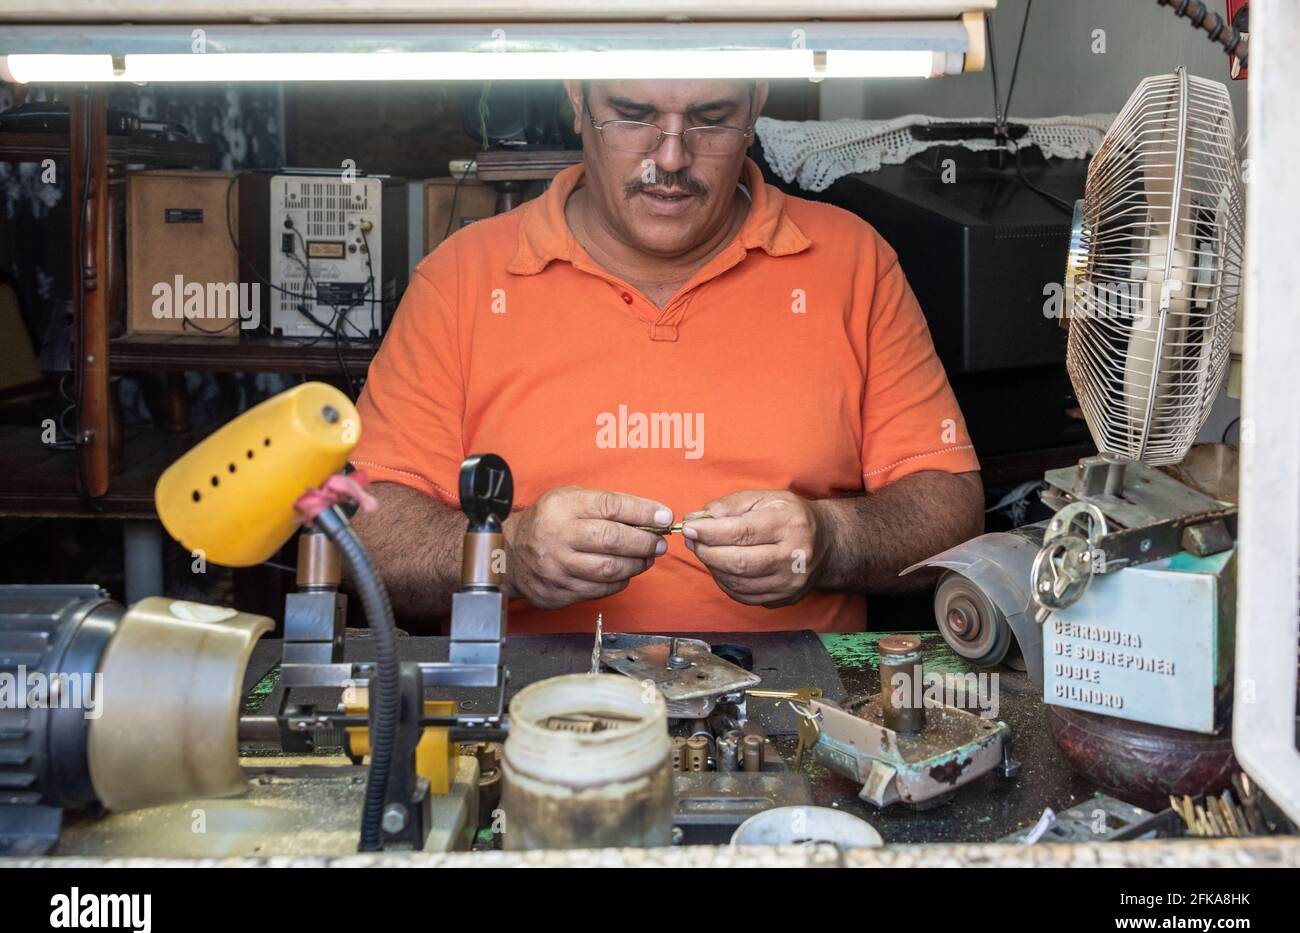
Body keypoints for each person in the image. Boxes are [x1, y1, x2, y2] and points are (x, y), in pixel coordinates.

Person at [349, 78, 983, 635]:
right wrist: (505, 554)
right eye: (632, 114)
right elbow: (363, 533)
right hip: (532, 708)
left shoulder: (852, 262)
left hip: (797, 707)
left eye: (711, 117)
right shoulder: (462, 279)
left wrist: (831, 542)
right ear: (576, 99)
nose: (672, 157)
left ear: (757, 104)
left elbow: (951, 515)